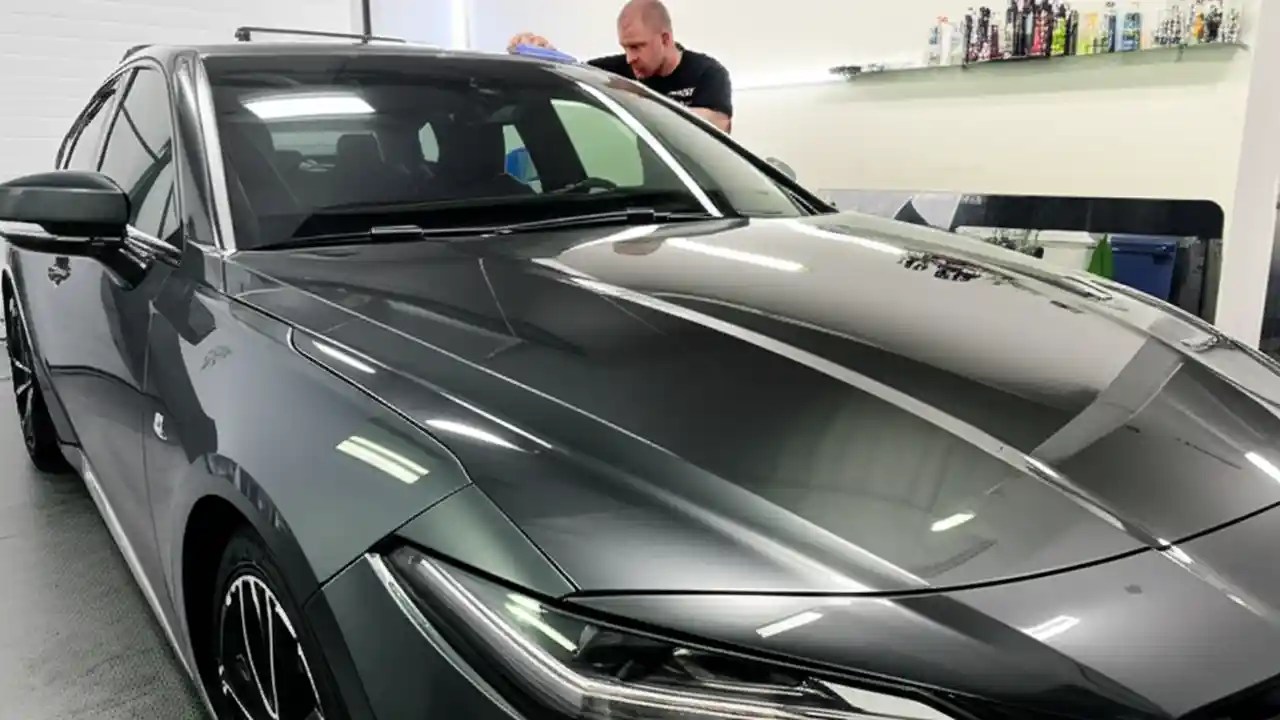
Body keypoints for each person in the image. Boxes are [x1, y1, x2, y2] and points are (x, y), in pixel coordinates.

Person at [508, 0, 733, 133]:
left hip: (707, 198)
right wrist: (542, 51)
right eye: (625, 47)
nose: (629, 58)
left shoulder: (707, 72)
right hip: (657, 194)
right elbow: (573, 72)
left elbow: (717, 126)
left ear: (665, 40)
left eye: (637, 47)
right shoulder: (624, 70)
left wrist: (643, 102)